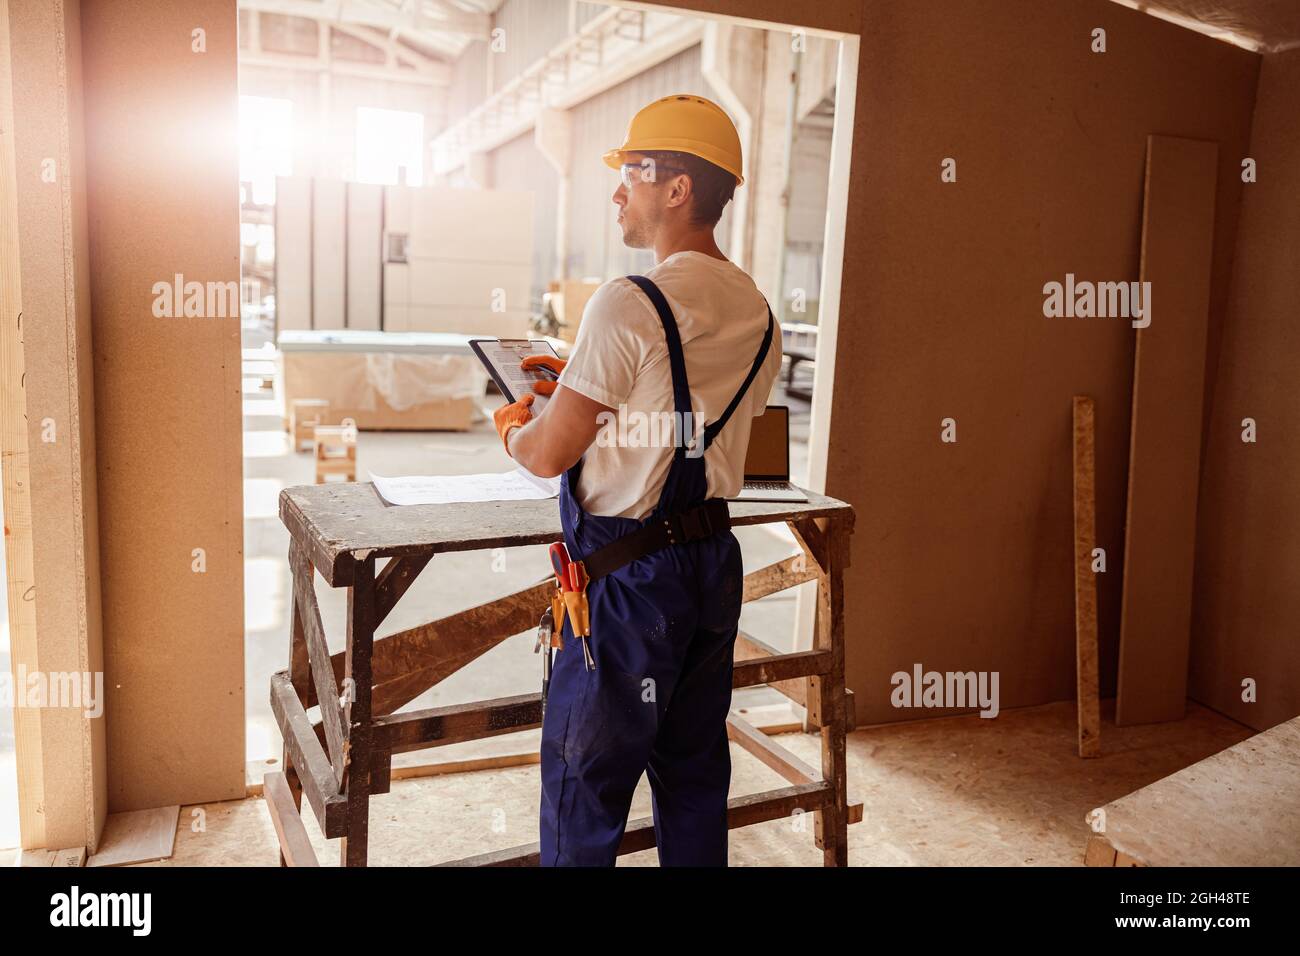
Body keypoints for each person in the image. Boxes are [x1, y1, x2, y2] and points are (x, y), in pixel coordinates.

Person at [492, 93, 783, 866]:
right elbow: (688, 424)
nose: (618, 190)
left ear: (679, 188)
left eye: (632, 173)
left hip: (627, 582)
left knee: (585, 786)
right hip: (711, 568)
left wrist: (519, 426)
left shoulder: (628, 301)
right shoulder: (758, 311)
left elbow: (552, 455)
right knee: (692, 776)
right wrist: (589, 390)